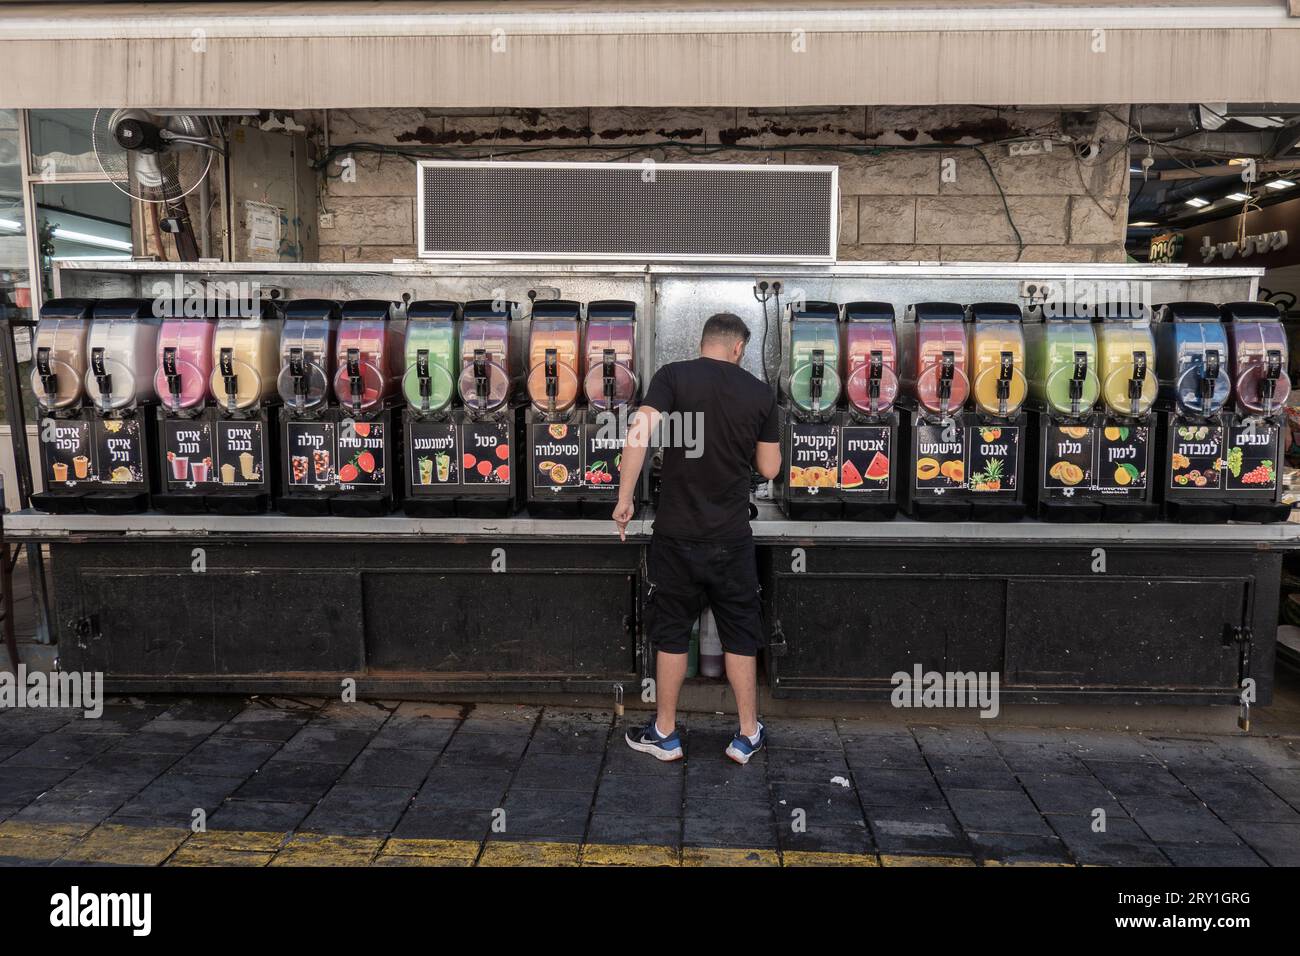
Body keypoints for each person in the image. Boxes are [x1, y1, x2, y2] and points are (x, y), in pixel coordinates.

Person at [613, 312, 781, 764]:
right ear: (739, 348)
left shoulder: (673, 377)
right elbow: (769, 469)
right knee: (740, 633)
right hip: (731, 537)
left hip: (676, 535)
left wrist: (624, 498)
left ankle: (666, 733)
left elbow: (639, 433)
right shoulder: (760, 394)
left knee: (671, 633)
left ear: (702, 341)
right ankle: (746, 735)